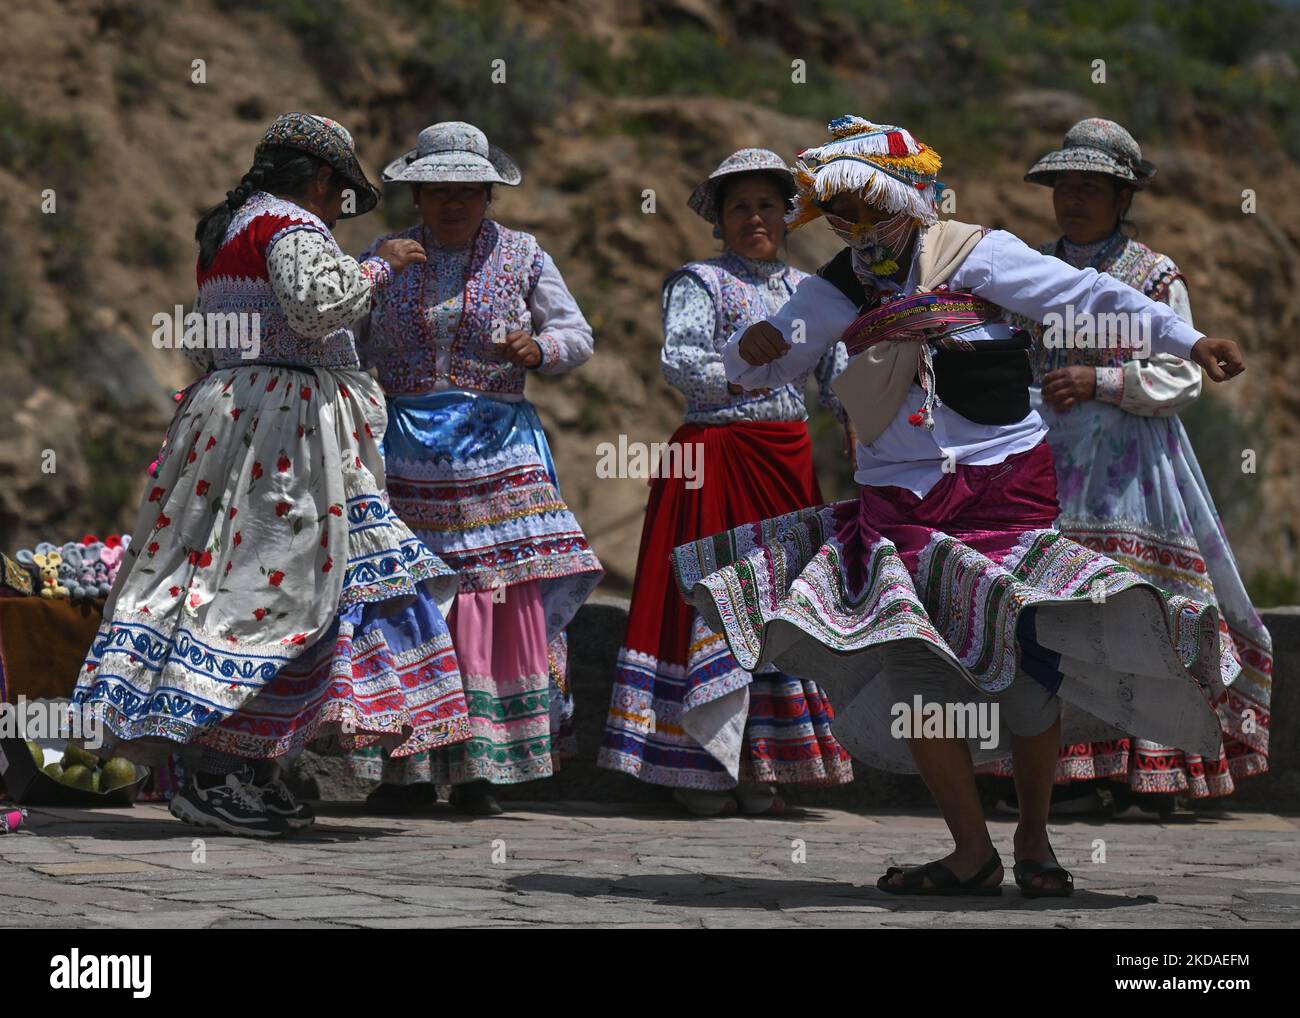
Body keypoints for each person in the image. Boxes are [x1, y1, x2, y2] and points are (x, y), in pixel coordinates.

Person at [676, 115, 1247, 896]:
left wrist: (1187, 340)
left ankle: (1037, 841)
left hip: (1001, 484)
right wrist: (754, 351)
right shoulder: (835, 286)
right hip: (900, 505)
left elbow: (1084, 297)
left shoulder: (974, 254)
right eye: (840, 214)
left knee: (1028, 664)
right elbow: (759, 370)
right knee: (919, 673)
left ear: (907, 198)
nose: (857, 226)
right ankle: (970, 848)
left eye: (869, 207)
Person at [72, 113, 470, 838]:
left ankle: (253, 763)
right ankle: (219, 770)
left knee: (243, 586)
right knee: (269, 592)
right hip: (283, 433)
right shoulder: (290, 227)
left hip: (233, 417)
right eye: (339, 195)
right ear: (320, 181)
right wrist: (379, 264)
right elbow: (319, 308)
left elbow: (209, 336)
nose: (336, 211)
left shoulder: (229, 232)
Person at [983, 119, 1271, 814]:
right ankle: (1064, 771)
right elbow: (1002, 355)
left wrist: (1101, 382)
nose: (1074, 201)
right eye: (1065, 188)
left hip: (1132, 474)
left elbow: (1182, 375)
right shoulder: (1032, 271)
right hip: (1047, 467)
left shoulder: (1153, 275)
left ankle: (1146, 769)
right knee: (1057, 610)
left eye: (1091, 188)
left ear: (1121, 196)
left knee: (1135, 607)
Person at [351, 122, 603, 816]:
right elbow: (347, 338)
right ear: (417, 194)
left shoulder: (524, 255)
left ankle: (479, 769)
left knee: (490, 599)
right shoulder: (386, 258)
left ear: (489, 193)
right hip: (404, 451)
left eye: (465, 190)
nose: (451, 203)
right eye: (436, 190)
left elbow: (577, 334)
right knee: (408, 596)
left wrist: (540, 346)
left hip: (496, 447)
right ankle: (402, 771)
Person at [599, 149, 855, 816]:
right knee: (710, 600)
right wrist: (743, 356)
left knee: (774, 602)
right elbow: (680, 364)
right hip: (712, 459)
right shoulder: (698, 283)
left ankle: (761, 764)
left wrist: (871, 417)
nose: (754, 218)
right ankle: (695, 766)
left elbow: (840, 379)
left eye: (767, 205)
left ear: (788, 214)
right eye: (738, 207)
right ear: (719, 219)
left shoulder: (813, 294)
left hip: (786, 463)